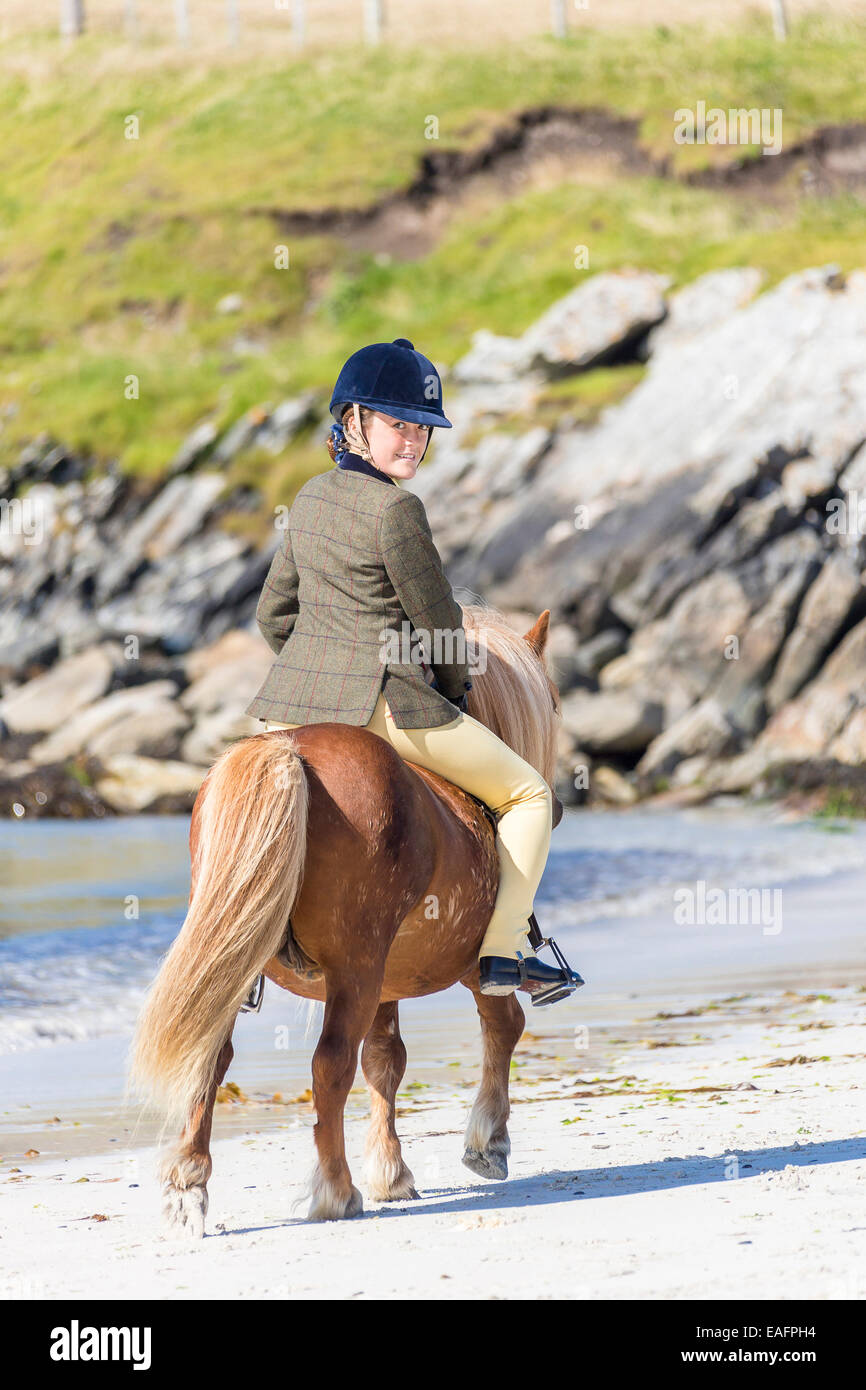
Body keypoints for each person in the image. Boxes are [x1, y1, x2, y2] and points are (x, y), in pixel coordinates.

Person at [245, 338, 582, 1006]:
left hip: (286, 710)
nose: (412, 442)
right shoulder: (399, 511)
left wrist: (317, 661)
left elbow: (271, 616)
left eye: (421, 429)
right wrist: (452, 694)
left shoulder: (309, 498)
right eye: (398, 425)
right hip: (384, 705)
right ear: (353, 421)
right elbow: (439, 629)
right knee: (529, 798)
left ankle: (252, 953)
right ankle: (505, 954)